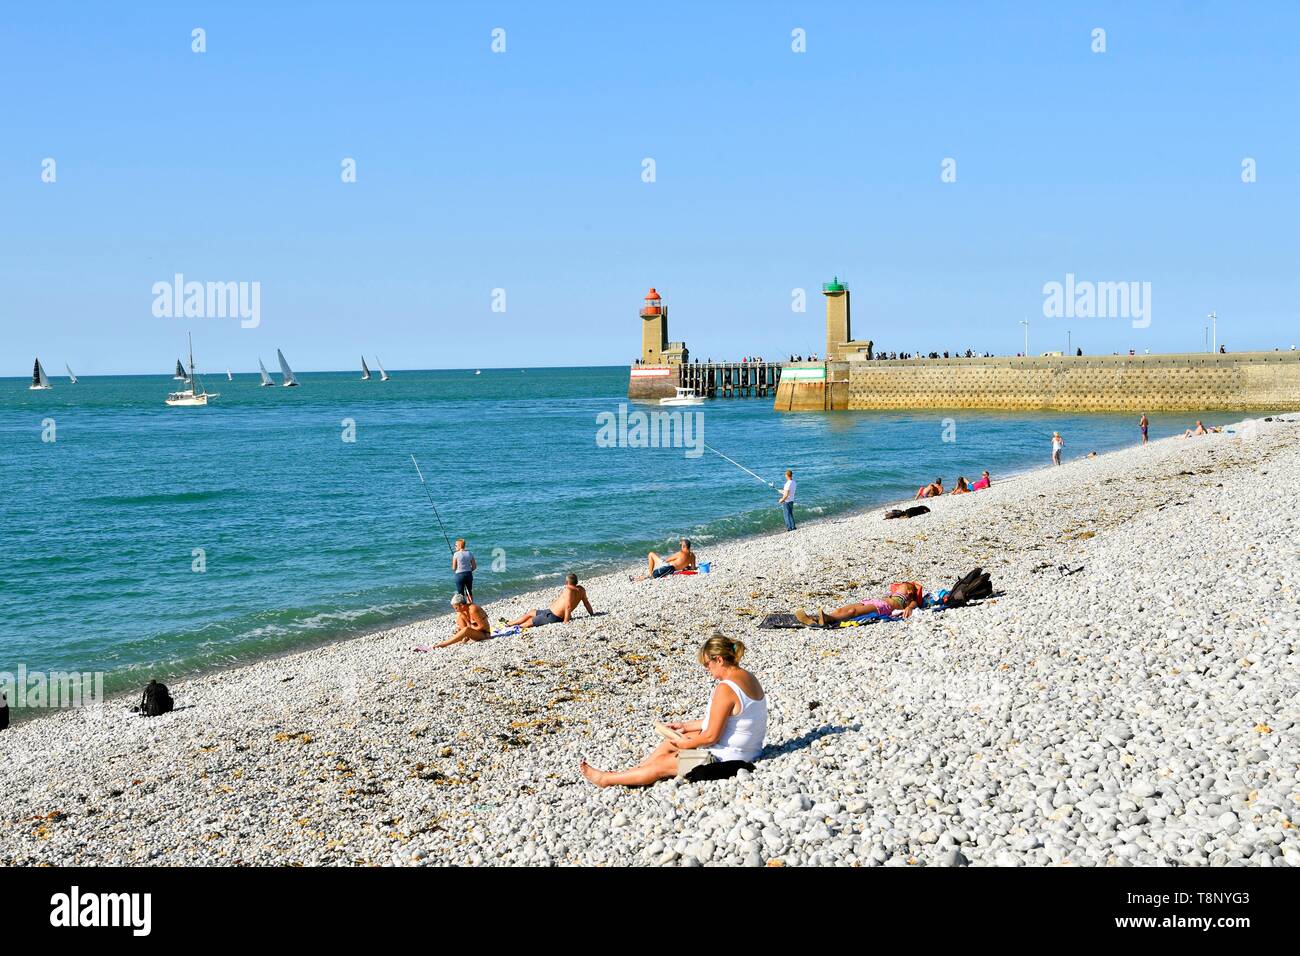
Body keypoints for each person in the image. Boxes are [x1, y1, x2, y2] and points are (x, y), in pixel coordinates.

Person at [579, 635, 766, 788]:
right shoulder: (747, 677)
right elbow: (727, 719)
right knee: (671, 741)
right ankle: (633, 772)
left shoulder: (726, 688)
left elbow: (711, 737)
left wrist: (685, 745)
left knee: (663, 764)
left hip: (730, 758)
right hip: (750, 748)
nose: (707, 669)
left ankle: (606, 780)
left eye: (707, 664)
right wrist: (684, 727)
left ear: (719, 659)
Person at [794, 581, 924, 626]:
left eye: (902, 586)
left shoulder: (908, 599)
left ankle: (828, 619)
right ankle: (815, 619)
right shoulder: (892, 595)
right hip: (871, 601)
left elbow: (914, 605)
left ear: (909, 591)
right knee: (840, 610)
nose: (898, 587)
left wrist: (910, 608)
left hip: (883, 607)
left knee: (853, 613)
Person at [506, 573, 595, 628]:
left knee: (529, 622)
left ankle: (513, 628)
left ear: (566, 582)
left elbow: (568, 606)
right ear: (576, 582)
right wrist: (592, 614)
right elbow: (586, 603)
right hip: (549, 613)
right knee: (532, 612)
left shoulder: (568, 590)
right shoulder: (581, 590)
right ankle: (511, 623)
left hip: (553, 616)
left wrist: (566, 621)